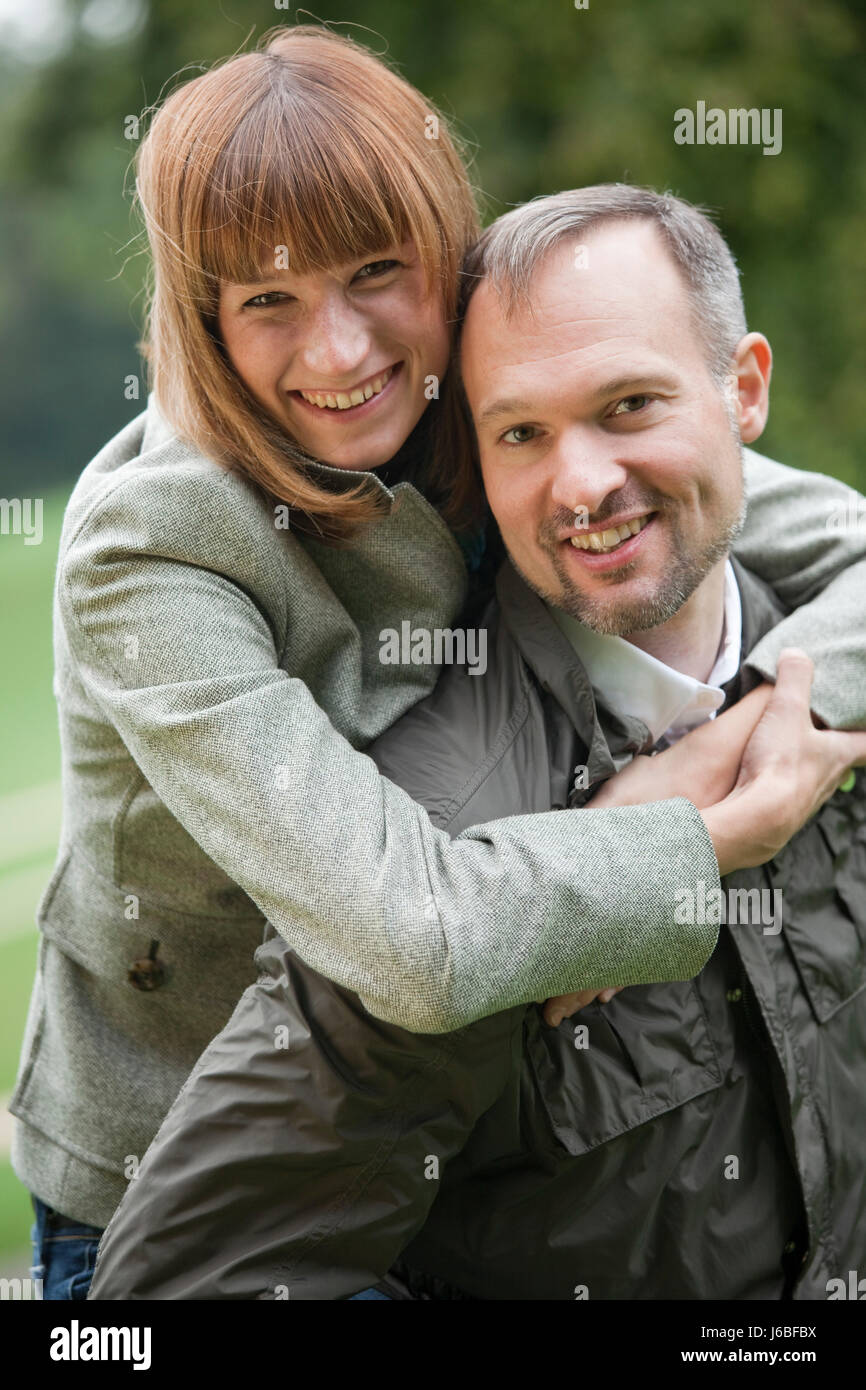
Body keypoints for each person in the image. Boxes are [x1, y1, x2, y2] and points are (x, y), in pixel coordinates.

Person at [11, 24, 866, 1300]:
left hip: (426, 1134)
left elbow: (812, 538)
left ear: (444, 260)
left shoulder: (482, 392)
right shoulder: (155, 543)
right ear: (203, 321)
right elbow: (414, 941)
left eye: (375, 274)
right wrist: (687, 831)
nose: (341, 354)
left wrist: (737, 724)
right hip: (195, 1185)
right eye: (267, 302)